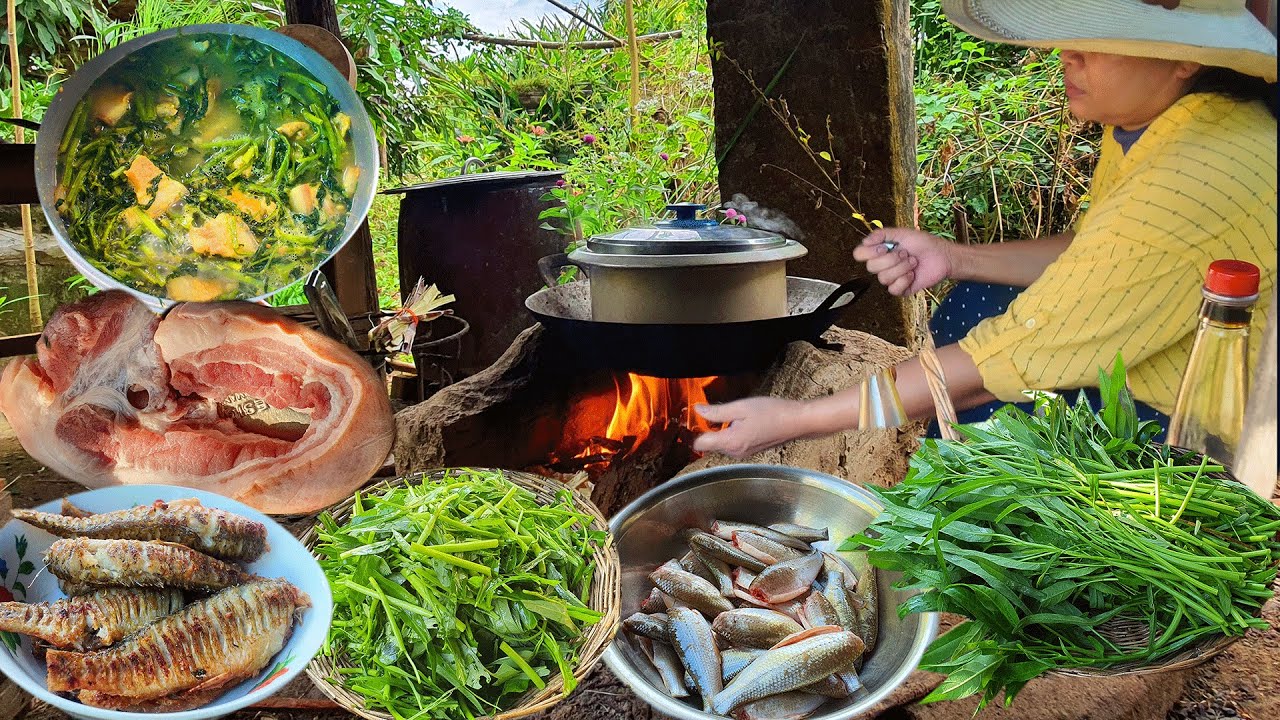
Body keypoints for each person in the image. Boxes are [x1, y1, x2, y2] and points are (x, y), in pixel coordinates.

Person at [693, 0, 1277, 458]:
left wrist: (799, 419)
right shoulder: (1163, 118)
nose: (1068, 54)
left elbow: (995, 362)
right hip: (1167, 377)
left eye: (1101, 41)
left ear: (1186, 56)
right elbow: (1097, 253)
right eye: (1073, 28)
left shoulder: (1192, 178)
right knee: (976, 296)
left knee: (985, 373)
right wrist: (955, 257)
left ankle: (1037, 558)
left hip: (1192, 438)